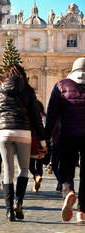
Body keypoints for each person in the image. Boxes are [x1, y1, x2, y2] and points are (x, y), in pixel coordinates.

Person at [0, 64, 47, 222]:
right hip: (23, 132)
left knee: (7, 170)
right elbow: (36, 118)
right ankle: (19, 202)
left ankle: (9, 211)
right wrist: (43, 142)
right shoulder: (28, 90)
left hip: (4, 132)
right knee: (24, 169)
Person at [45, 57, 85, 223]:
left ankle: (68, 191)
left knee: (66, 167)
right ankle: (82, 212)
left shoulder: (61, 85)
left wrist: (45, 137)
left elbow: (52, 113)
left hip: (67, 134)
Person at [29, 100, 47, 192]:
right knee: (39, 165)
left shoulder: (30, 117)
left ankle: (36, 176)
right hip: (42, 143)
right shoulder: (44, 117)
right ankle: (36, 183)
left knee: (30, 164)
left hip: (32, 142)